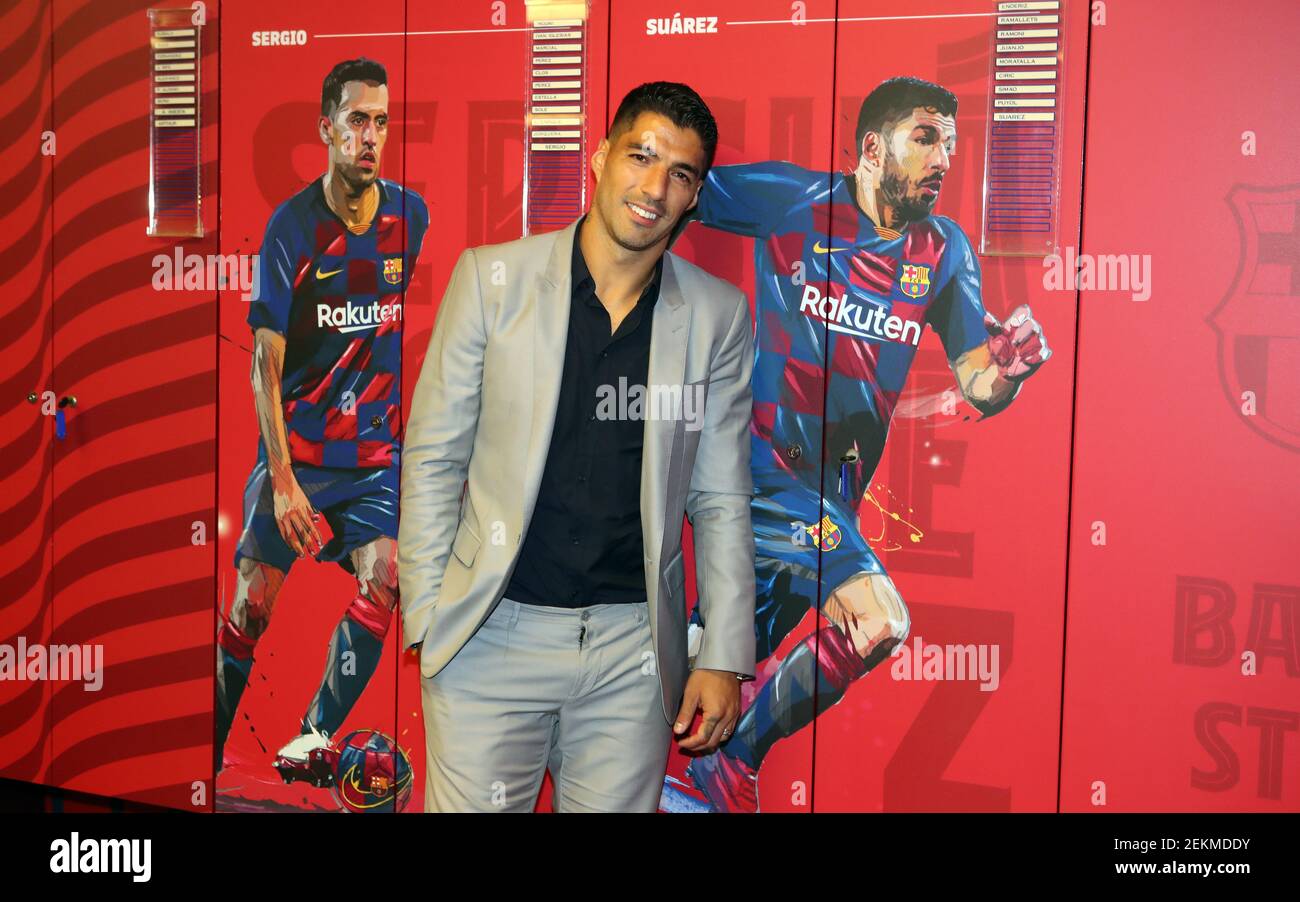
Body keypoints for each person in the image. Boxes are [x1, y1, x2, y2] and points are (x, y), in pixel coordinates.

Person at [678, 75, 1051, 811]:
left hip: (833, 499)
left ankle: (681, 775)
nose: (943, 155)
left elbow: (976, 381)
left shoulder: (942, 251)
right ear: (873, 148)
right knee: (880, 622)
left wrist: (1010, 368)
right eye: (925, 137)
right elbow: (678, 191)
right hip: (758, 466)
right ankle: (726, 770)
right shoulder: (797, 202)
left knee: (716, 668)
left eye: (948, 139)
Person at [399, 82, 756, 812]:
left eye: (680, 174)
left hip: (631, 657)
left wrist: (721, 652)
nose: (654, 187)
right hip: (490, 637)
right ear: (600, 158)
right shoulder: (492, 282)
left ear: (695, 197)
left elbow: (719, 497)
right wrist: (429, 614)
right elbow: (434, 457)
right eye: (641, 156)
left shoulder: (718, 317)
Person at [216, 57, 428, 785]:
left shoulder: (411, 218)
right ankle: (208, 757)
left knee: (387, 577)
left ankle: (311, 738)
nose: (370, 136)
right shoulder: (292, 229)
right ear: (326, 129)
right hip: (299, 455)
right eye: (356, 121)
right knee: (251, 602)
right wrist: (281, 481)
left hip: (372, 458)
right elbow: (262, 364)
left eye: (380, 122)